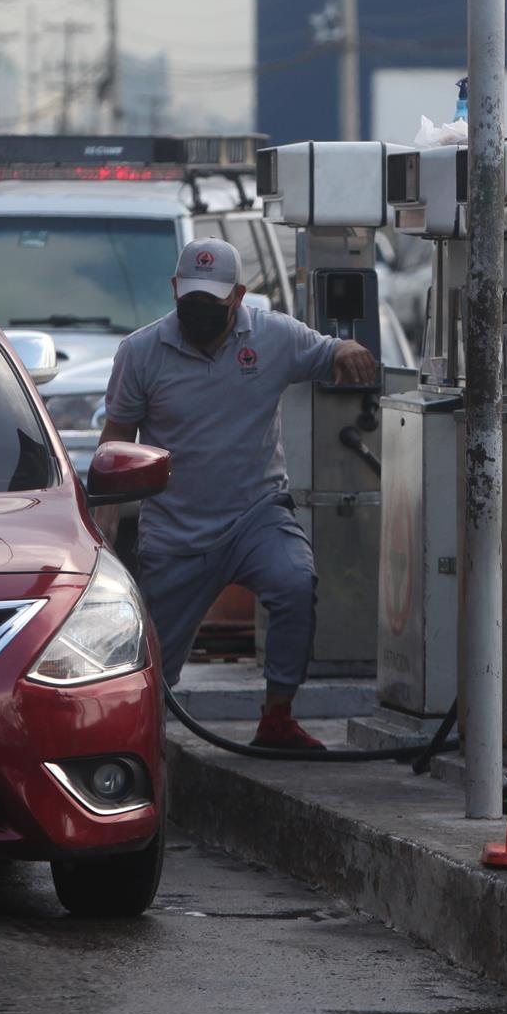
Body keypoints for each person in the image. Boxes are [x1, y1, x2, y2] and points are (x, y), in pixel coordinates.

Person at [97, 237, 376, 749]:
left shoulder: (272, 337)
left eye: (214, 303)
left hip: (255, 515)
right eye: (192, 301)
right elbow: (115, 445)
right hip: (176, 531)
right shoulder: (140, 353)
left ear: (241, 295)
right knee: (150, 666)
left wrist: (346, 348)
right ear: (175, 289)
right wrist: (104, 537)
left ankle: (277, 717)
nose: (200, 312)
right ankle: (135, 748)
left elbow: (327, 352)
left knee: (294, 582)